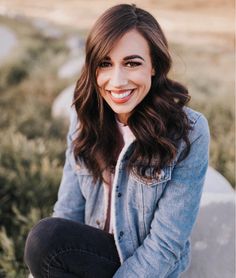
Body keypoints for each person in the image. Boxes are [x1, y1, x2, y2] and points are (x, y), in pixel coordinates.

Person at [24, 3, 210, 278]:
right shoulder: (83, 117)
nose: (117, 81)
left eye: (132, 63)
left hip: (147, 266)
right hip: (92, 259)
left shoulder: (188, 131)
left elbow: (165, 245)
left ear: (154, 66)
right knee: (45, 237)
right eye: (105, 64)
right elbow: (67, 211)